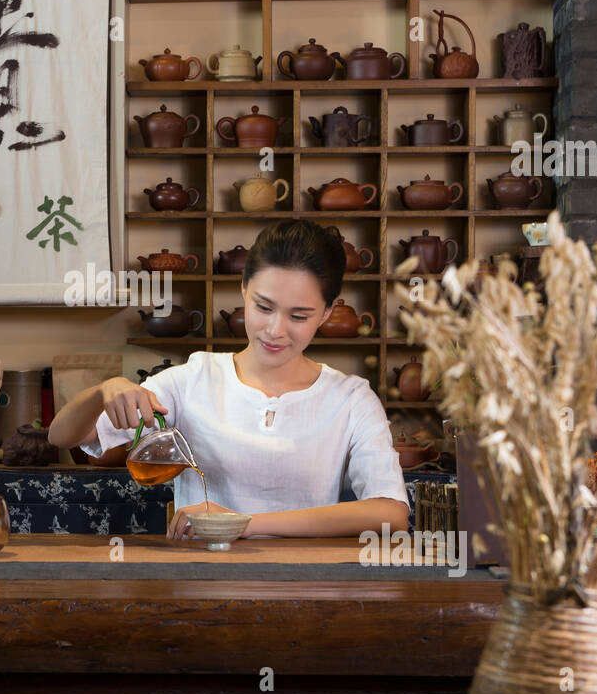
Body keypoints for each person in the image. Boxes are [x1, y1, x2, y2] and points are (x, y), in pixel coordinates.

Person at [49, 219, 410, 539]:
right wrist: (103, 389)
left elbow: (391, 513)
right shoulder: (191, 380)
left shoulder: (350, 398)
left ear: (329, 311)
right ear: (243, 288)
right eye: (263, 307)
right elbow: (63, 436)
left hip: (308, 586)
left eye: (299, 316)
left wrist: (245, 523)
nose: (275, 330)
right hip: (200, 584)